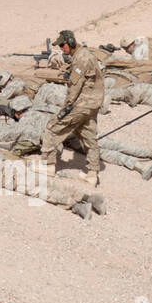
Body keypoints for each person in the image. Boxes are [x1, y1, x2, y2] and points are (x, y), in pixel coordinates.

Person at [40, 29, 105, 186]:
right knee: (89, 136)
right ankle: (92, 174)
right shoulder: (85, 54)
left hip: (82, 104)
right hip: (92, 104)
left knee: (52, 127)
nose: (62, 48)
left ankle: (48, 166)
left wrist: (65, 108)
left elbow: (74, 88)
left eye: (63, 45)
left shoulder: (80, 59)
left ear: (70, 43)